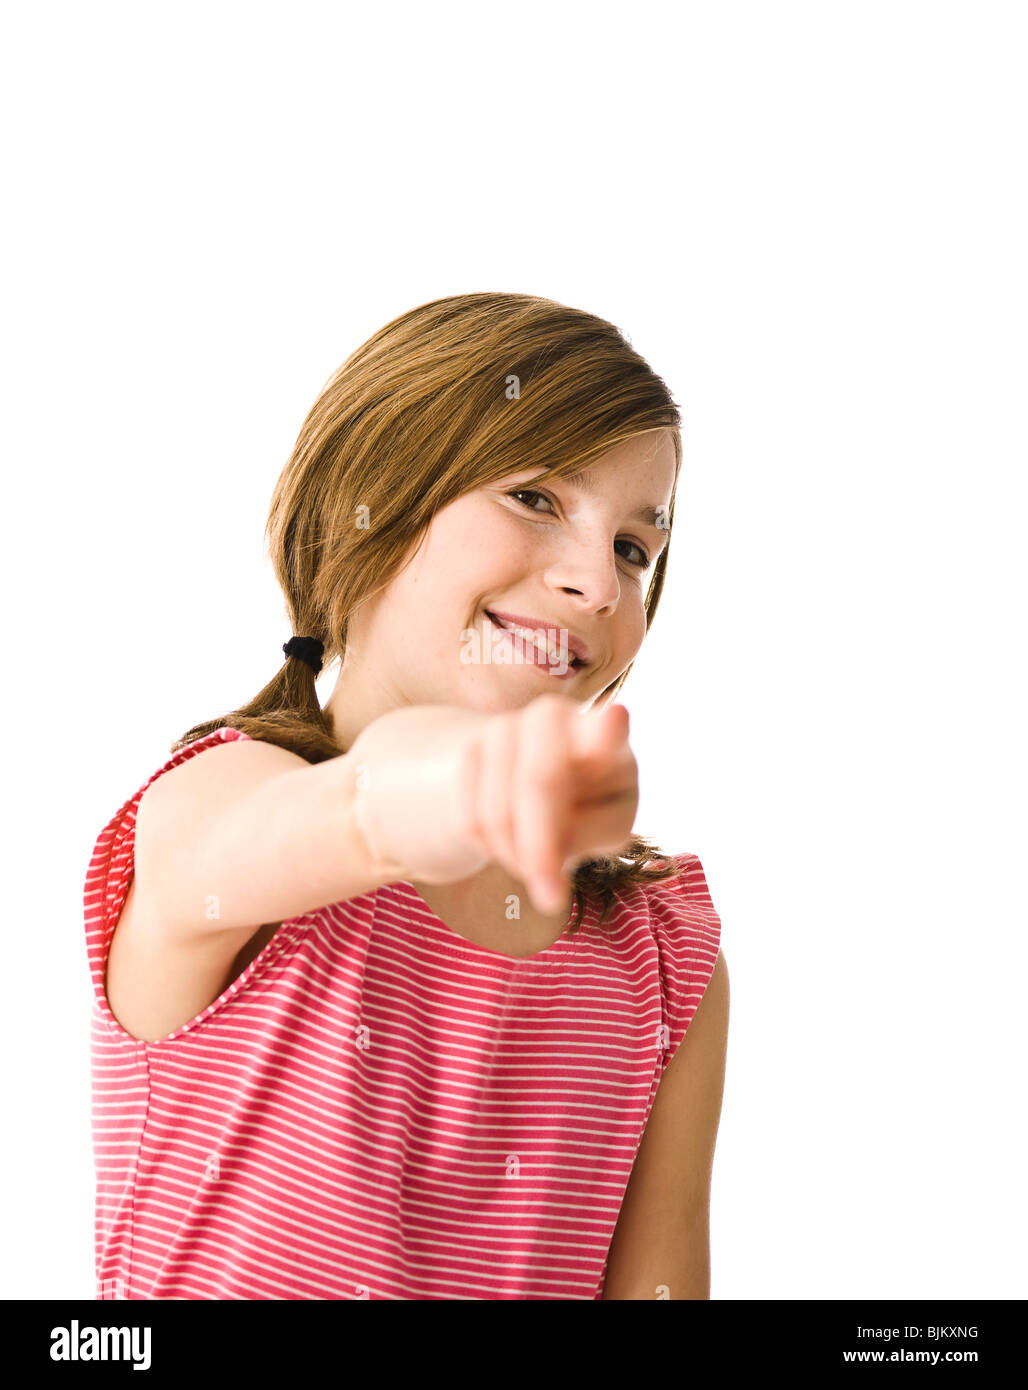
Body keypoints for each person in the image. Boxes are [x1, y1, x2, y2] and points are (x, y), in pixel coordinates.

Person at [84, 291, 729, 1301]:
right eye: (535, 497)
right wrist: (482, 783)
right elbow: (360, 810)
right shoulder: (222, 801)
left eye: (633, 548)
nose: (598, 585)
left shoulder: (657, 954)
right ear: (373, 494)